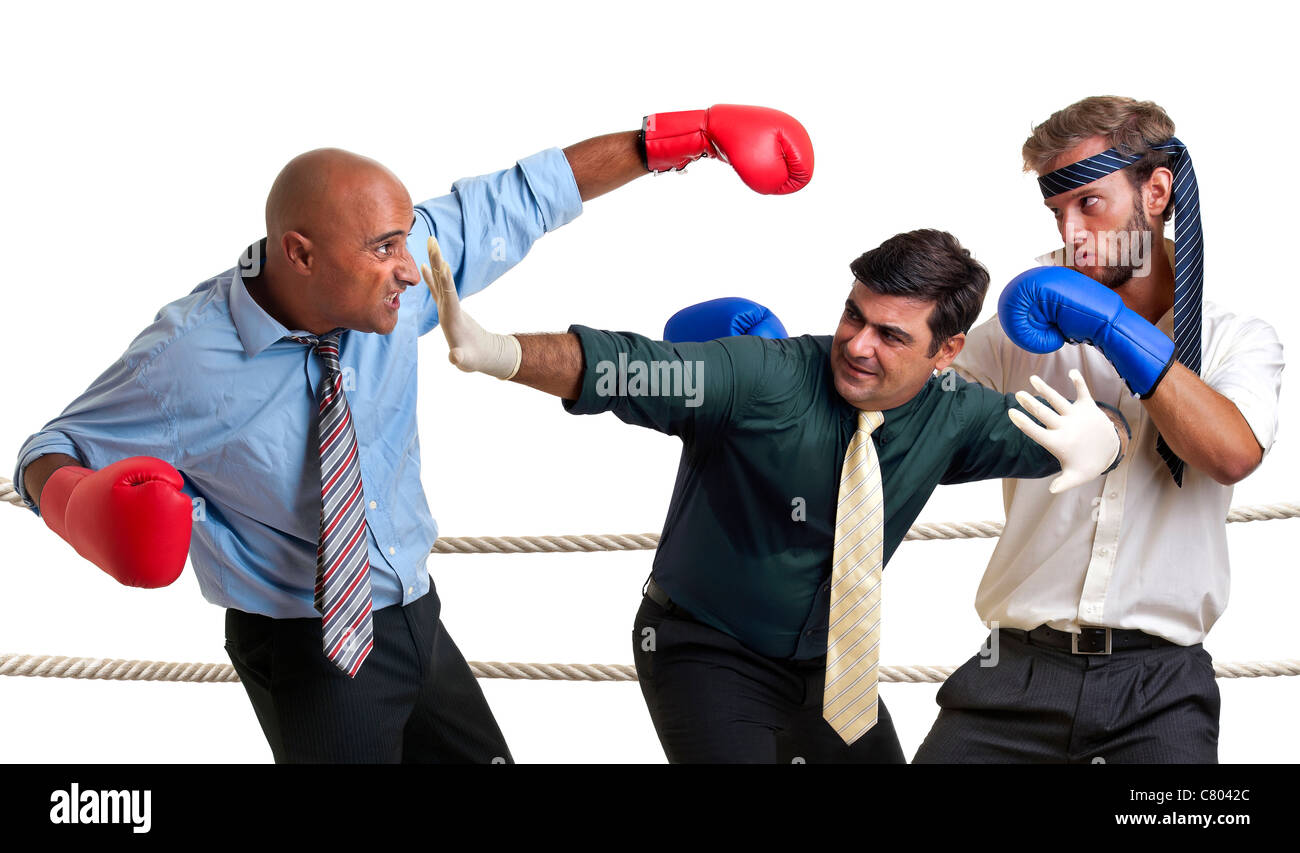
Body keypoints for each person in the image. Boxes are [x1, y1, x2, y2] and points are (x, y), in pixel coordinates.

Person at [12, 104, 816, 763]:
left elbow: (528, 194)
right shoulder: (186, 360)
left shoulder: (396, 283)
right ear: (301, 254)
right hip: (306, 642)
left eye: (407, 239)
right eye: (383, 247)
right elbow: (49, 450)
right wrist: (85, 508)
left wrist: (681, 138)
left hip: (412, 615)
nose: (409, 266)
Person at [422, 226, 1132, 763]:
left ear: (945, 352)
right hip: (706, 649)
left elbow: (1090, 430)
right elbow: (629, 367)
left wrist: (1109, 438)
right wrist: (500, 353)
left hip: (832, 673)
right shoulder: (766, 375)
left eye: (890, 334)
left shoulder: (954, 413)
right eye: (855, 316)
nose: (857, 344)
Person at [913, 96, 1286, 764]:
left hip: (1161, 690)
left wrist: (1113, 329)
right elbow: (908, 421)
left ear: (1158, 191)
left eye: (1091, 203)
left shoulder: (1236, 340)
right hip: (1012, 676)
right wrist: (781, 370)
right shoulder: (1017, 339)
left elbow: (1229, 453)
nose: (1072, 232)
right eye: (1058, 213)